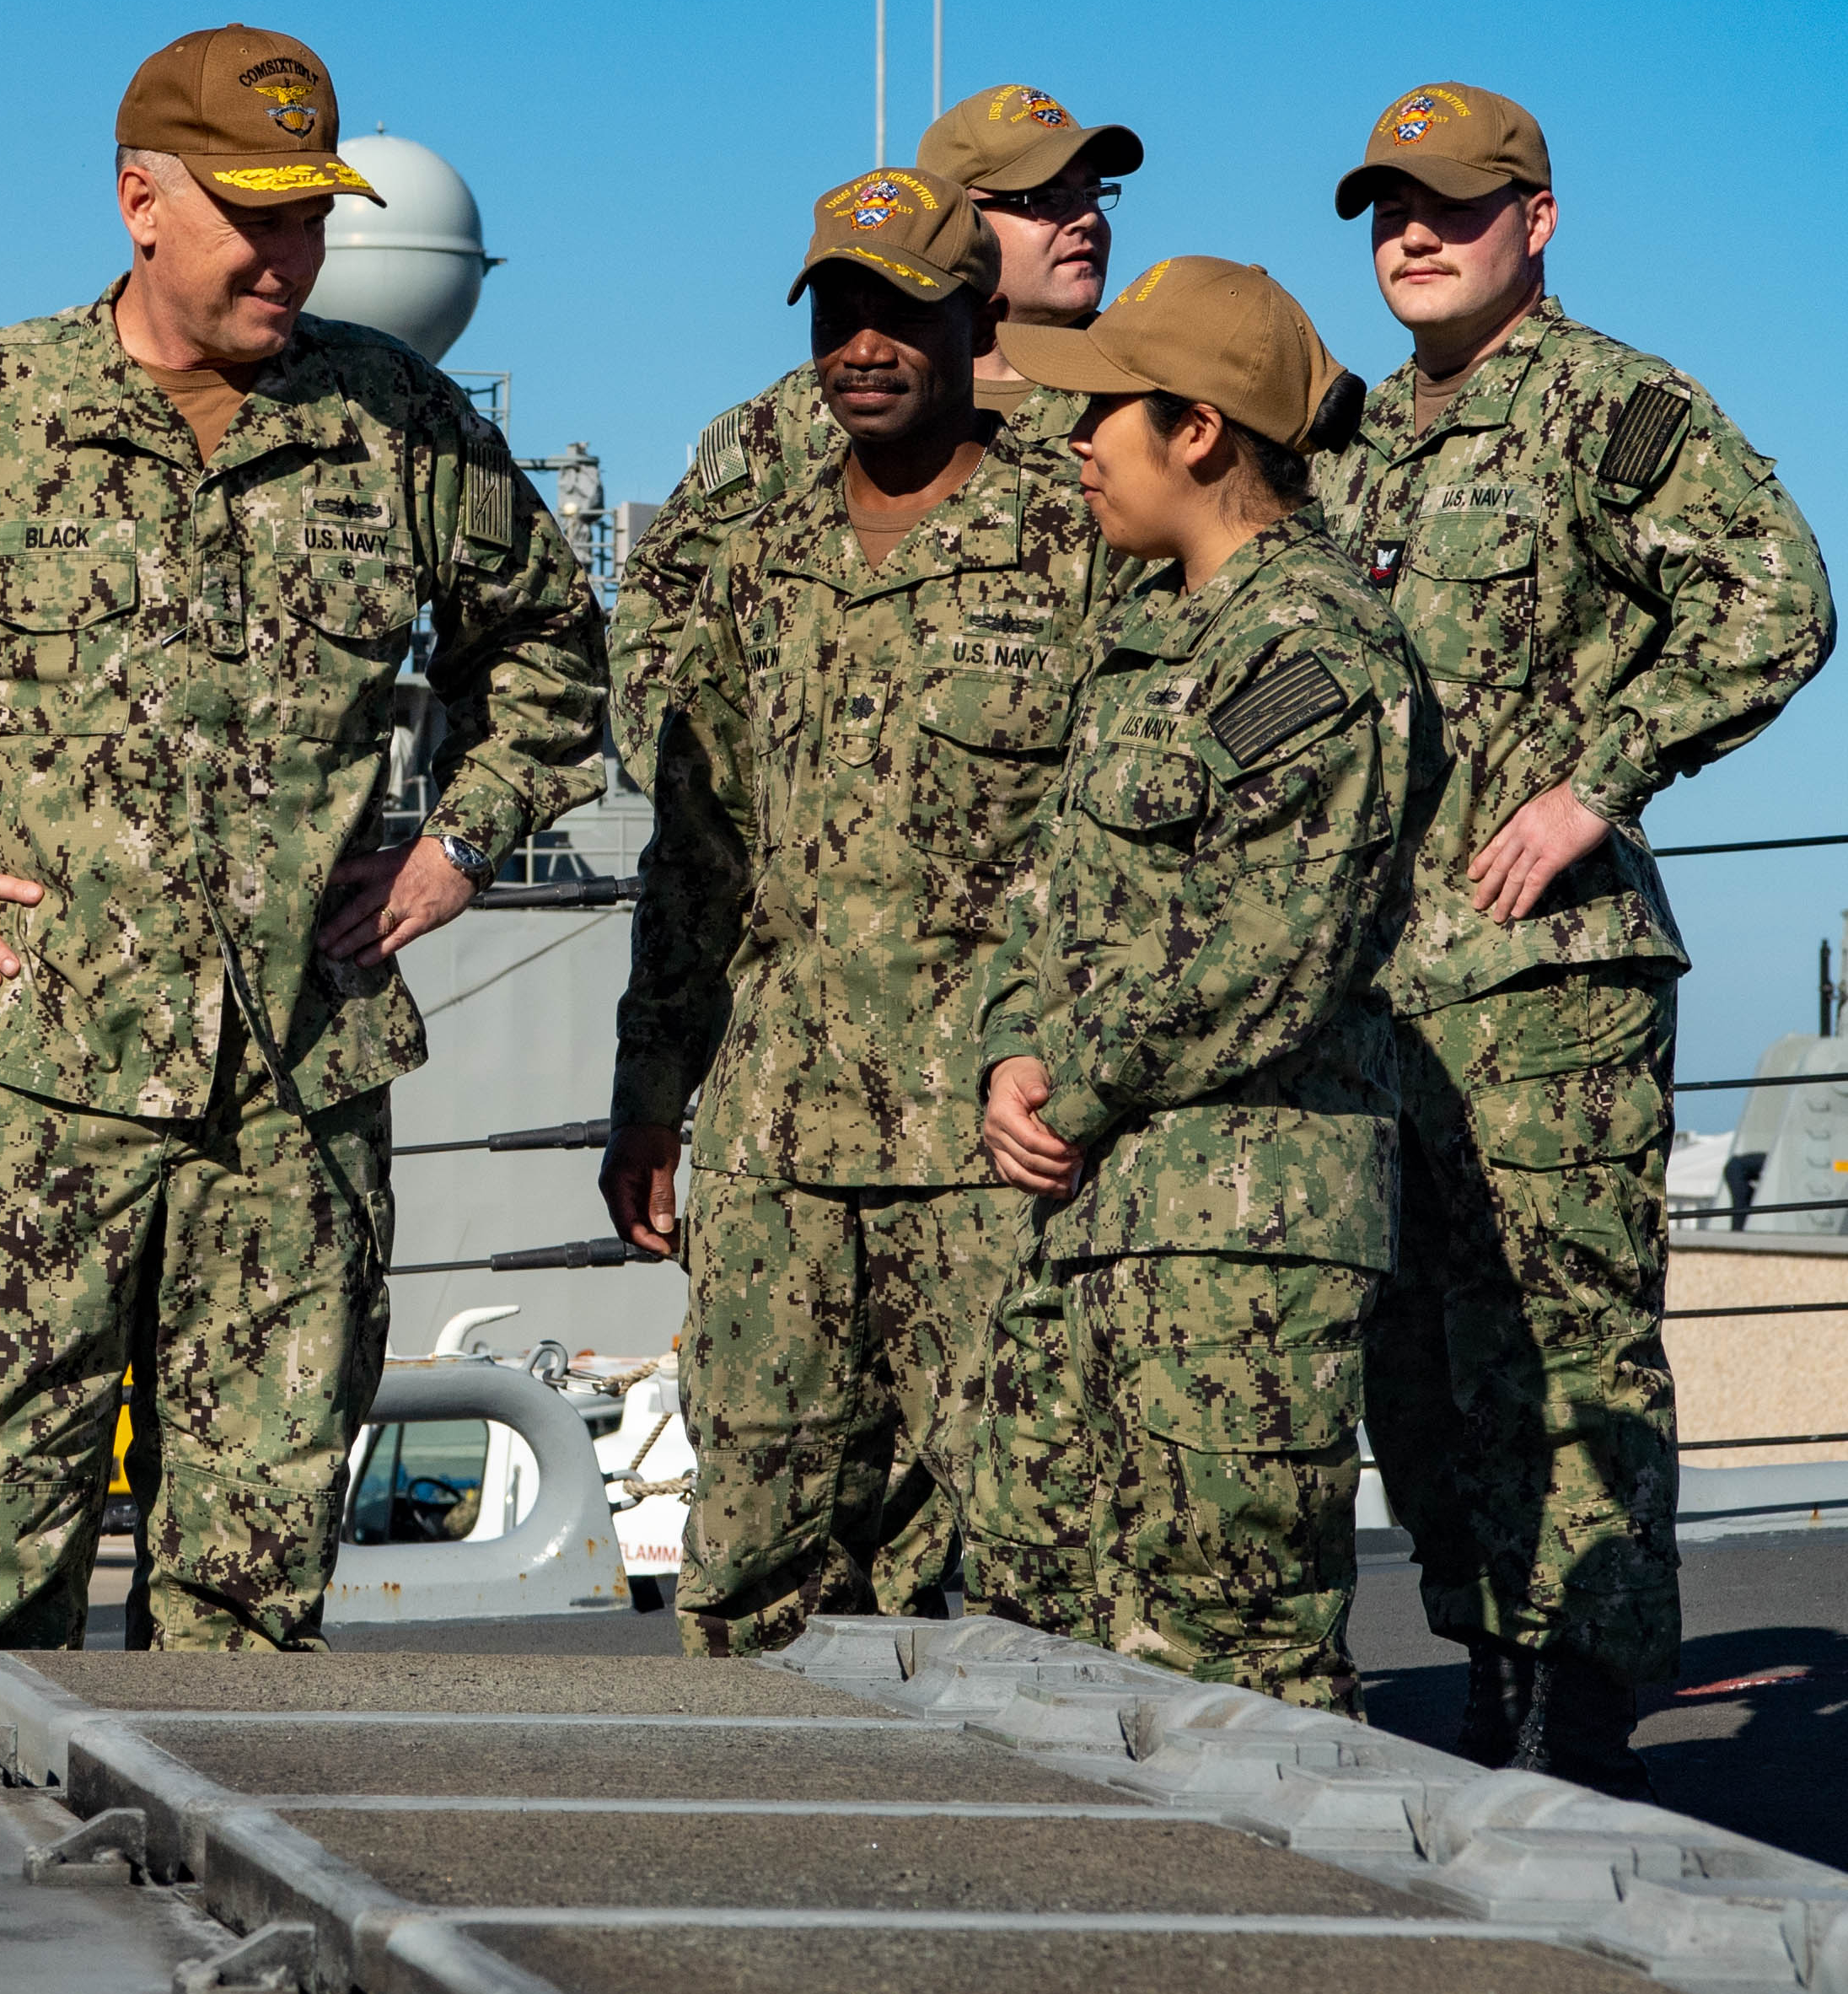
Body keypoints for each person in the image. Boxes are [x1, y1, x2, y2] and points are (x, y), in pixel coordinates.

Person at [0, 24, 608, 1708]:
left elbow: (553, 657)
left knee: (249, 1613)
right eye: (252, 216)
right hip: (34, 1092)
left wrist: (456, 845)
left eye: (309, 217)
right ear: (138, 203)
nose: (287, 256)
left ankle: (219, 1880)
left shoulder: (399, 425)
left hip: (292, 1097)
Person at [1319, 86, 1831, 1783]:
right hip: (1377, 991)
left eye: (1450, 204)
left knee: (1562, 1342)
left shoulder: (1612, 408)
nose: (1411, 232)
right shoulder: (1350, 441)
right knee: (1411, 1359)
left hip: (1546, 981)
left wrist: (1594, 784)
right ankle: (1485, 1662)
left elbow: (1775, 599)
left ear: (1533, 220)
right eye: (1386, 207)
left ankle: (1581, 1699)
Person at [604, 167, 1109, 1655]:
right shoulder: (754, 558)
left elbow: (1131, 850)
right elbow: (695, 856)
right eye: (835, 316)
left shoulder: (1076, 540)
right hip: (776, 1141)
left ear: (972, 320)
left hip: (992, 1146)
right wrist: (648, 1096)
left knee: (1031, 1550)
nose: (862, 348)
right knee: (752, 1547)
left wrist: (1085, 1068)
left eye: (897, 313)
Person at [979, 257, 1428, 1712]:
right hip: (1097, 1216)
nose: (1070, 443)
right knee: (1062, 1642)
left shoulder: (1314, 645)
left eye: (1099, 412)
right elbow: (1052, 897)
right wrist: (1008, 1051)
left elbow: (1276, 946)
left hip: (1240, 1236)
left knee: (1232, 1665)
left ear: (1196, 430)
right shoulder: (1148, 636)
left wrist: (1075, 1081)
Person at [609, 86, 1137, 778]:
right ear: (954, 212)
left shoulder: (1145, 403)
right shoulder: (793, 418)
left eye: (1092, 194)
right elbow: (656, 603)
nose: (1085, 220)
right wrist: (699, 791)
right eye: (1044, 199)